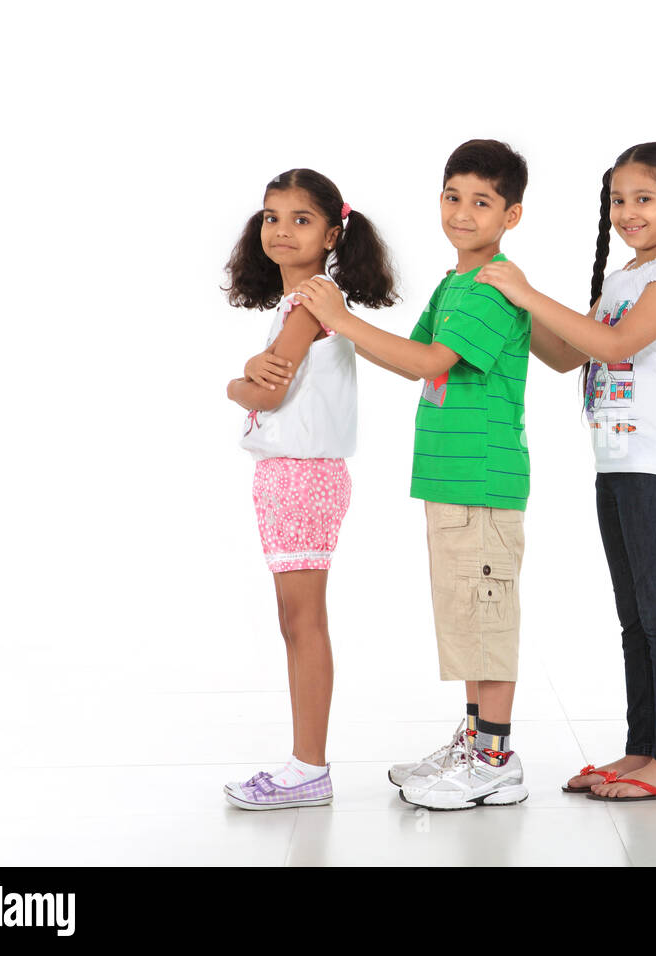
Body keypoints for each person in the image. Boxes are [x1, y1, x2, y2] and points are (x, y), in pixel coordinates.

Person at [276, 140, 533, 811]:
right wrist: (346, 333)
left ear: (512, 215)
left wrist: (342, 318)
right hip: (449, 479)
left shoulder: (491, 288)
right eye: (453, 197)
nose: (463, 212)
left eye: (482, 202)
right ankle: (476, 741)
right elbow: (420, 358)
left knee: (487, 617)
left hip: (481, 478)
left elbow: (428, 364)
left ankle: (496, 760)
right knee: (465, 621)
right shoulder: (455, 285)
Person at [477, 142, 656, 801]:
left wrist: (528, 291)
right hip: (614, 463)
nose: (627, 212)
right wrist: (511, 305)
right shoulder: (623, 280)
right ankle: (644, 749)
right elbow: (569, 355)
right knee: (635, 616)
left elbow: (617, 344)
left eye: (643, 199)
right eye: (618, 200)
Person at [222, 169, 397, 810]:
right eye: (272, 216)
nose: (281, 230)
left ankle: (308, 768)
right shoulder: (299, 303)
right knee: (295, 622)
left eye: (300, 219)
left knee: (303, 623)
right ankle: (305, 764)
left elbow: (268, 392)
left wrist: (235, 384)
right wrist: (252, 379)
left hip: (301, 475)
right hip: (291, 474)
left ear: (332, 233)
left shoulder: (309, 303)